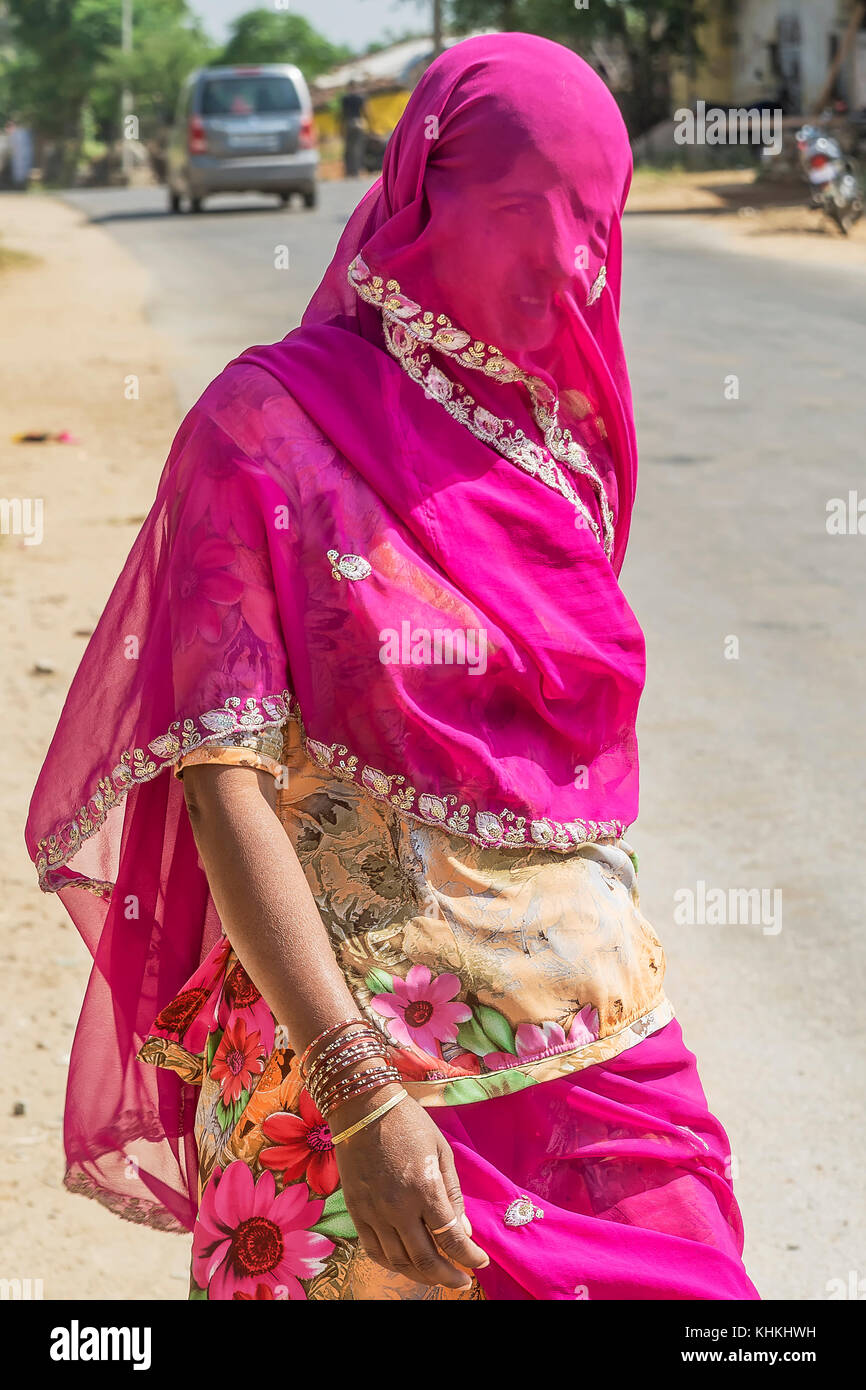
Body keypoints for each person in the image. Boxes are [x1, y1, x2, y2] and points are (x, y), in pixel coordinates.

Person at [26, 33, 759, 1301]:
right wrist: (360, 1097)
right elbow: (223, 784)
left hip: (596, 1047)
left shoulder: (557, 441)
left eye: (594, 219)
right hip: (347, 1076)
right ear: (424, 196)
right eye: (524, 212)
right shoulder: (264, 429)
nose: (567, 257)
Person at [340, 79, 368, 178]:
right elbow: (365, 112)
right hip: (359, 123)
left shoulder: (345, 98)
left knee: (349, 148)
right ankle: (356, 171)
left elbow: (343, 113)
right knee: (358, 148)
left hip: (349, 123)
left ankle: (349, 171)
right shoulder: (360, 98)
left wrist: (340, 127)